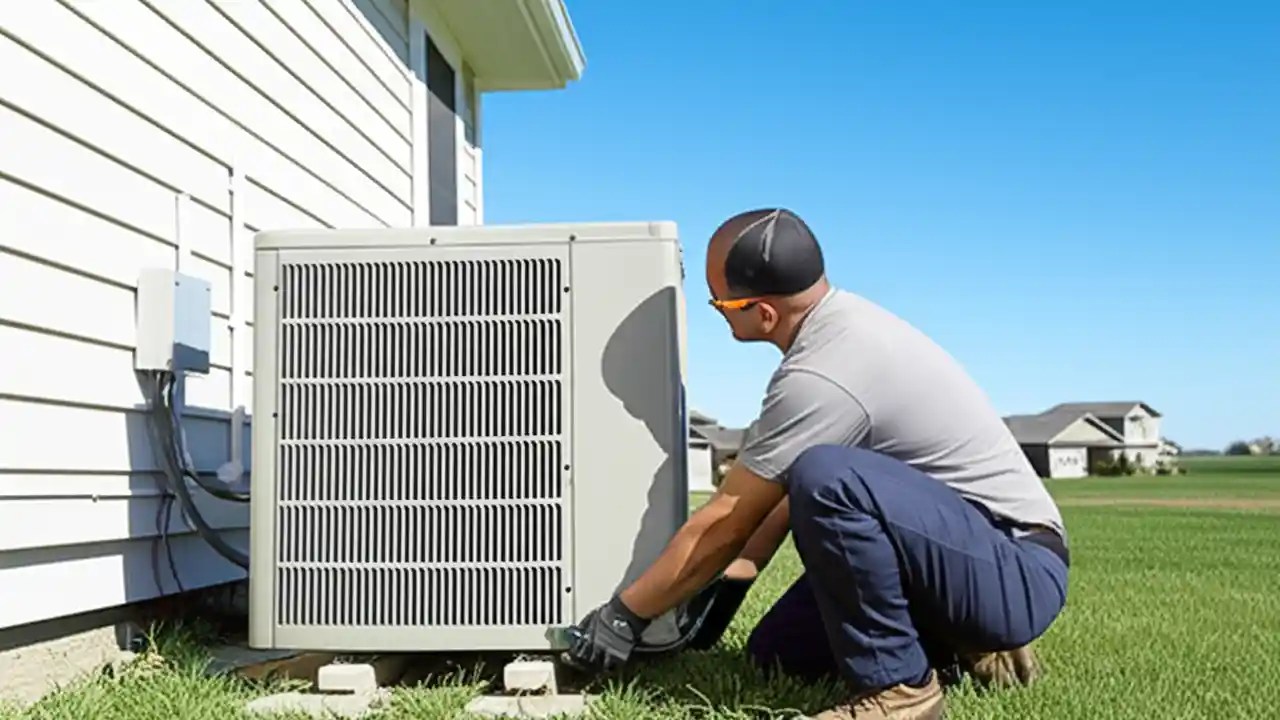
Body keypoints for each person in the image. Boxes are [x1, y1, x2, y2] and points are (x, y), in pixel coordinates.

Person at [564, 208, 1070, 719]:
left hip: (1016, 564)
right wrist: (705, 621)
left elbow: (726, 521)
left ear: (762, 313)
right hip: (959, 554)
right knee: (778, 653)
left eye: (720, 304)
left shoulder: (824, 373)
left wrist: (622, 617)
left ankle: (902, 692)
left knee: (828, 478)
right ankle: (954, 641)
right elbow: (767, 511)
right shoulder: (836, 333)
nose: (717, 312)